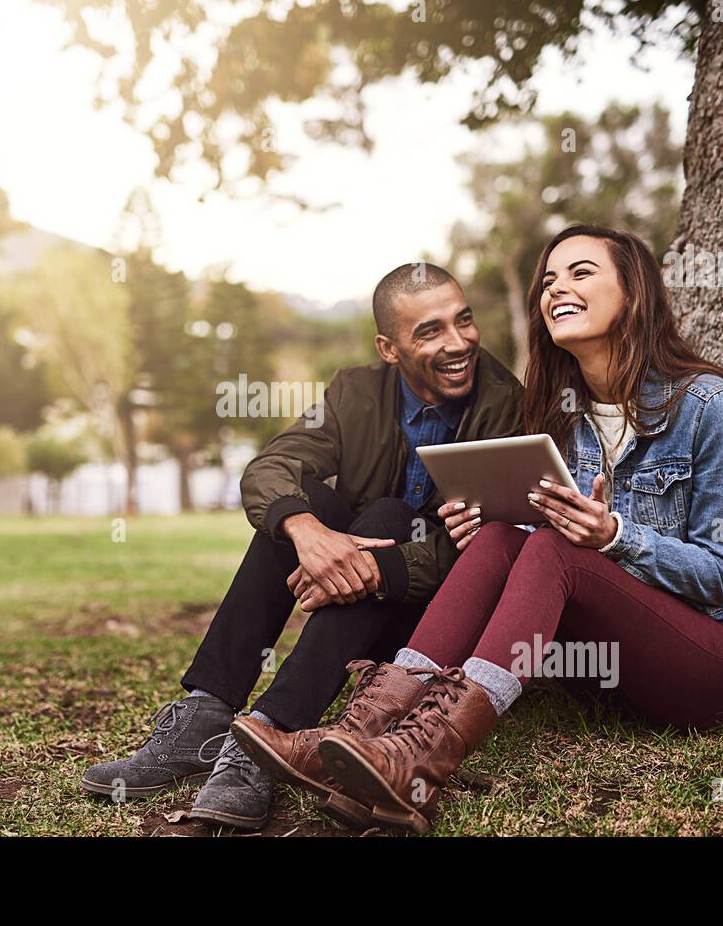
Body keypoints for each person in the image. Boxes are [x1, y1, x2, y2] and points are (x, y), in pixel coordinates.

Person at [234, 225, 723, 834]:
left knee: (554, 548)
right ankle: (361, 737)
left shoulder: (706, 405)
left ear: (634, 291)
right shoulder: (561, 418)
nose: (556, 289)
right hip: (605, 672)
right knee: (502, 537)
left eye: (580, 273)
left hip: (711, 666)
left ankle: (419, 759)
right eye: (548, 280)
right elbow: (535, 551)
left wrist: (615, 537)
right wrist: (488, 523)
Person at [81, 263, 525, 830]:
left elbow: (480, 553)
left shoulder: (508, 405)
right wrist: (308, 532)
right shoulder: (353, 391)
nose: (458, 342)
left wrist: (370, 565)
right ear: (389, 348)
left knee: (388, 515)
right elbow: (270, 467)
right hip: (356, 604)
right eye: (430, 331)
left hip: (428, 622)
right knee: (300, 502)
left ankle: (268, 737)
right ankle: (208, 712)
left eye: (463, 321)